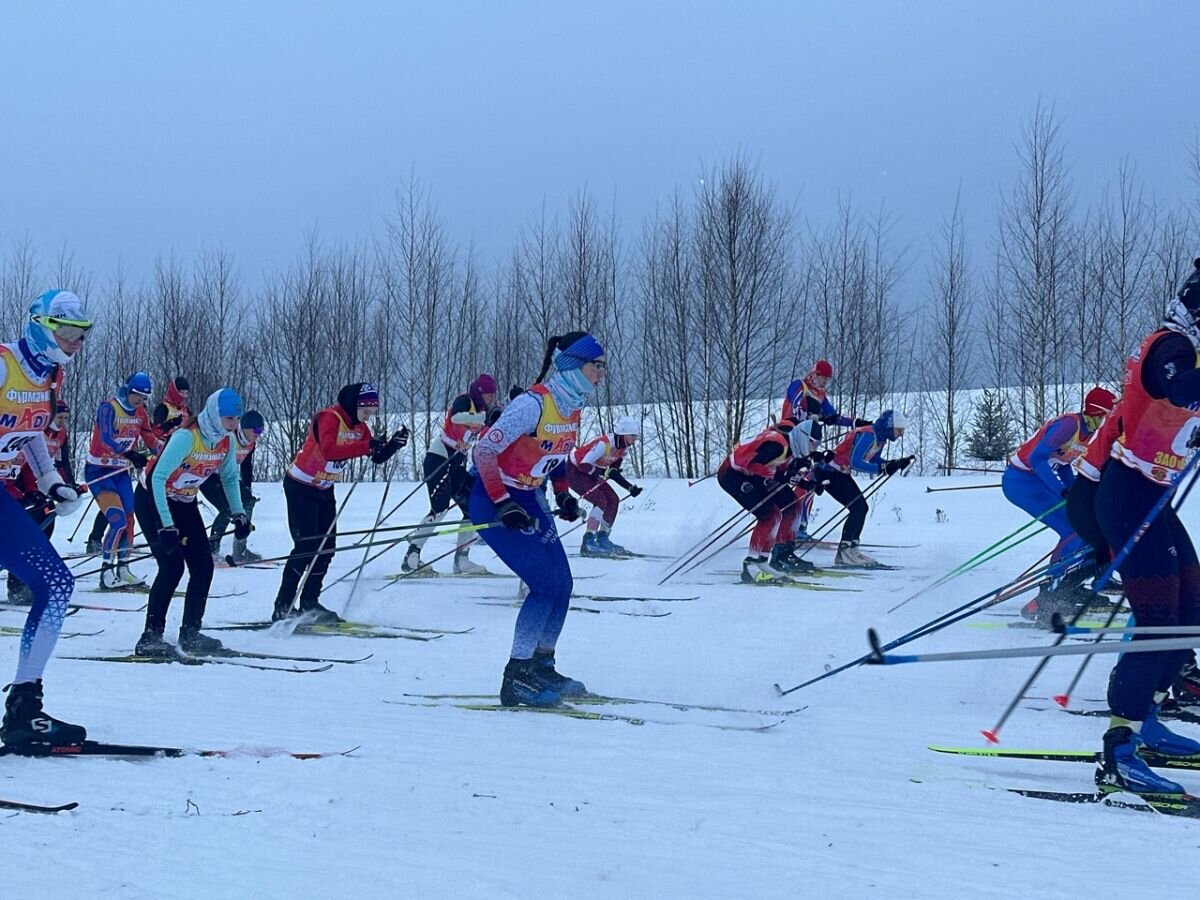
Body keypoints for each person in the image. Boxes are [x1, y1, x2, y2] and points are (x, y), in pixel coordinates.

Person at [1092, 258, 1200, 797]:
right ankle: (1119, 748)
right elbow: (1182, 390)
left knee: (1190, 607)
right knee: (1158, 618)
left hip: (1151, 495)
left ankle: (1150, 719)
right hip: (1128, 495)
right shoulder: (1170, 347)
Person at [468, 332, 600, 707]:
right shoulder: (532, 405)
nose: (601, 374)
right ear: (574, 366)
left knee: (562, 583)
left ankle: (542, 665)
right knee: (543, 584)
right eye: (596, 365)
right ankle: (517, 676)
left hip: (529, 496)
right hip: (493, 500)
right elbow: (485, 451)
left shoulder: (571, 406)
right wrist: (503, 501)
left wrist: (562, 493)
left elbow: (557, 454)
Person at [0, 290, 89, 749]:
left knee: (56, 585)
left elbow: (31, 433)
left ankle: (23, 707)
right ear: (41, 325)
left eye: (82, 334)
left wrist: (53, 481)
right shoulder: (3, 363)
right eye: (69, 332)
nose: (77, 341)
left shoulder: (52, 378)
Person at [272, 383, 407, 623]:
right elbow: (329, 451)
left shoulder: (360, 428)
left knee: (327, 548)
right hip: (300, 487)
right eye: (365, 412)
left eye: (371, 413)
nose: (368, 417)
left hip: (324, 488)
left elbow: (374, 456)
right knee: (306, 547)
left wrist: (391, 446)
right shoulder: (329, 418)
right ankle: (283, 605)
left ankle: (309, 601)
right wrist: (367, 445)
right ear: (354, 405)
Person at [132, 389, 249, 656]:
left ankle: (190, 633)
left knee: (203, 566)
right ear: (215, 415)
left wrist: (239, 513)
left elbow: (230, 478)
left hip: (184, 502)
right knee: (172, 567)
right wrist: (166, 525)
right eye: (229, 418)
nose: (234, 424)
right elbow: (156, 479)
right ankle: (150, 637)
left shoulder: (225, 441)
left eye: (237, 419)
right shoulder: (187, 437)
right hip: (153, 499)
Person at [1003, 387, 1116, 621]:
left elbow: (1063, 464)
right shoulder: (1069, 425)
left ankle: (1073, 584)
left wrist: (1075, 491)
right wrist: (1061, 490)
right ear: (1095, 413)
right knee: (1073, 529)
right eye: (1106, 416)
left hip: (1038, 481)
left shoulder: (1087, 433)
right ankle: (1049, 592)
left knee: (1086, 527)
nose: (1108, 422)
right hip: (1021, 482)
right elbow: (1037, 458)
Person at [401, 374, 498, 576]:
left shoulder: (483, 410)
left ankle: (462, 559)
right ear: (480, 393)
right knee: (439, 509)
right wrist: (481, 418)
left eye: (492, 396)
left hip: (457, 462)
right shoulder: (466, 401)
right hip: (439, 457)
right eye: (488, 395)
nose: (490, 399)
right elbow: (456, 417)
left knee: (471, 508)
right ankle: (412, 557)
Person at [717, 418, 820, 582]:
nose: (813, 448)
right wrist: (772, 479)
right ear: (803, 437)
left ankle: (762, 561)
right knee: (769, 515)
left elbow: (781, 473)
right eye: (812, 443)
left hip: (749, 475)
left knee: (780, 512)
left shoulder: (791, 449)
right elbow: (754, 465)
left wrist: (807, 484)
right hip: (732, 475)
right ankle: (751, 566)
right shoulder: (778, 445)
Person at [84, 371, 160, 589]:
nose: (140, 400)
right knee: (116, 520)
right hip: (99, 472)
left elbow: (149, 437)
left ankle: (124, 568)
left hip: (120, 473)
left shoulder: (141, 413)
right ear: (128, 390)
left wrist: (165, 452)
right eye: (137, 395)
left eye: (144, 398)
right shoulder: (108, 408)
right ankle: (106, 572)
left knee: (128, 521)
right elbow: (107, 438)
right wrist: (129, 453)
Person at [6, 399, 79, 605]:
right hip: (11, 489)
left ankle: (19, 585)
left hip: (16, 488)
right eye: (59, 417)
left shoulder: (32, 432)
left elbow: (32, 466)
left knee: (31, 534)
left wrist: (36, 490)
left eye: (66, 418)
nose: (62, 422)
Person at [821, 410, 912, 567]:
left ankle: (851, 549)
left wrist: (894, 463)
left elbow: (874, 459)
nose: (901, 434)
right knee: (858, 508)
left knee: (861, 508)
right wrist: (882, 468)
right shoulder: (868, 434)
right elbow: (856, 462)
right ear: (890, 426)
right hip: (828, 471)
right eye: (899, 430)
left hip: (839, 472)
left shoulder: (880, 438)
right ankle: (845, 552)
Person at [569, 415, 643, 557]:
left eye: (636, 437)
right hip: (575, 471)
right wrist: (603, 471)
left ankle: (603, 538)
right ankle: (588, 540)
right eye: (632, 436)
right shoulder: (604, 444)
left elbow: (613, 472)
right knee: (600, 500)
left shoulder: (623, 449)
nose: (634, 440)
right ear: (623, 434)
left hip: (591, 472)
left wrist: (629, 488)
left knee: (613, 500)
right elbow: (584, 464)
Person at [201, 409, 264, 563]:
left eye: (261, 430)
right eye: (256, 430)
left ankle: (240, 550)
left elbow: (246, 466)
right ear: (245, 427)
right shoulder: (230, 437)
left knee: (248, 502)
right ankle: (212, 549)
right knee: (227, 509)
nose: (258, 434)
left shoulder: (251, 443)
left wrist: (247, 489)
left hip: (228, 478)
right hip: (209, 476)